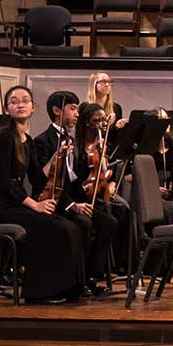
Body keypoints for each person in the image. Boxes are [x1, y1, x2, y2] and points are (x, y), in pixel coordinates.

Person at [0, 86, 84, 304]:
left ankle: (67, 287)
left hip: (16, 203)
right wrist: (34, 205)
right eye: (14, 101)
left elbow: (37, 178)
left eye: (25, 100)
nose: (20, 104)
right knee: (50, 226)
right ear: (6, 109)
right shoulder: (3, 136)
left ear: (33, 107)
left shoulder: (27, 140)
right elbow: (4, 182)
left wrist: (56, 159)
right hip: (1, 205)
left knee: (70, 227)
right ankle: (39, 292)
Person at [62, 102, 130, 295]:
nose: (102, 124)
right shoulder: (76, 147)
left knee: (117, 216)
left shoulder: (101, 145)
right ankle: (83, 276)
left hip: (96, 196)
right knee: (99, 222)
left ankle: (98, 273)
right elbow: (74, 178)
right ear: (87, 123)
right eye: (97, 120)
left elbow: (106, 173)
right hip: (77, 198)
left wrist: (108, 178)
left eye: (103, 120)